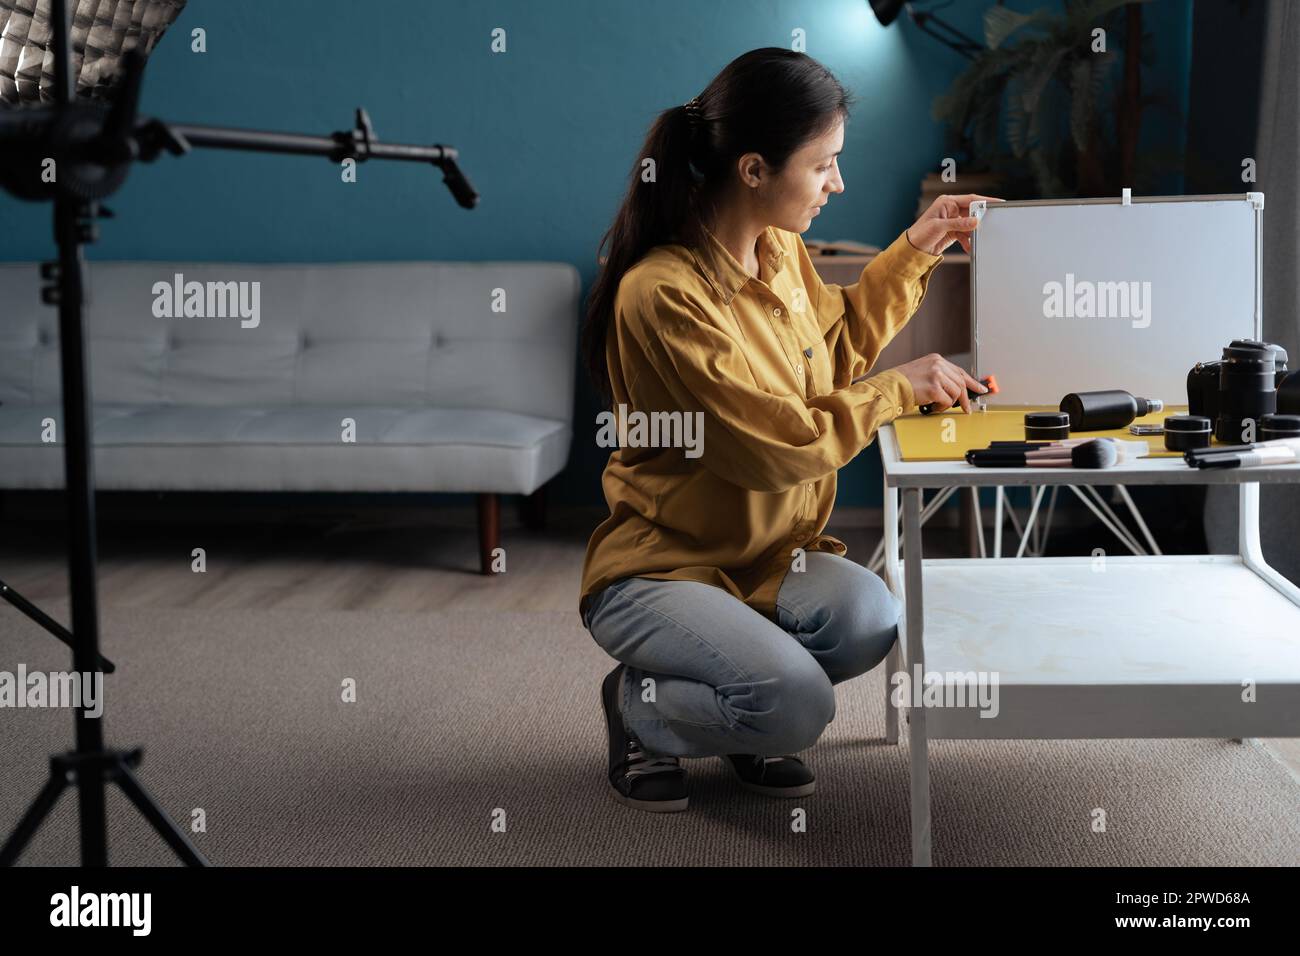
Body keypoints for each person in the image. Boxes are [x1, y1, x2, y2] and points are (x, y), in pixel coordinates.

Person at [577, 47, 995, 812]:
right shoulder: (663, 295)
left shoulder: (780, 251)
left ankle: (744, 699)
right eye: (824, 164)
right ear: (753, 170)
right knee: (798, 708)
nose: (838, 182)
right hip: (665, 569)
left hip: (767, 559)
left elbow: (833, 353)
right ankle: (640, 707)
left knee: (869, 618)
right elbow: (774, 450)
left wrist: (919, 247)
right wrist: (896, 391)